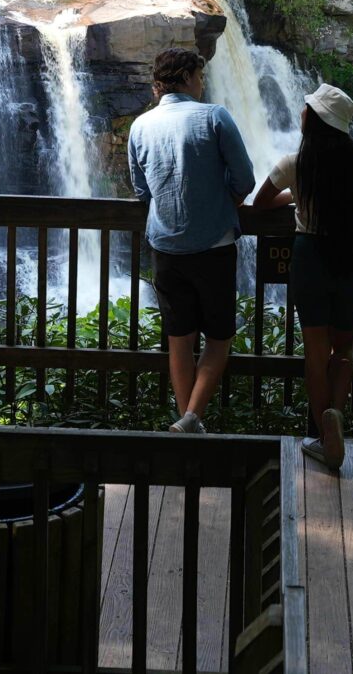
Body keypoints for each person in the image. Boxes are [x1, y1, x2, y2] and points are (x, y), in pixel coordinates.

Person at [249, 83, 353, 470]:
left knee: (314, 352)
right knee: (343, 349)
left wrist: (296, 196)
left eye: (306, 108)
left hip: (309, 257)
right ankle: (335, 420)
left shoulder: (295, 162)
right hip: (350, 255)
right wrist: (346, 197)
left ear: (313, 118)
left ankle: (323, 435)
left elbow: (260, 205)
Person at [127, 47, 257, 433]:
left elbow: (141, 191)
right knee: (219, 338)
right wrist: (224, 198)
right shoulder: (214, 116)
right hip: (213, 246)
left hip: (164, 247)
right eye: (200, 77)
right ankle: (191, 418)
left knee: (179, 340)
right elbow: (246, 180)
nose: (202, 84)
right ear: (185, 76)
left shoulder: (139, 126)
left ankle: (186, 427)